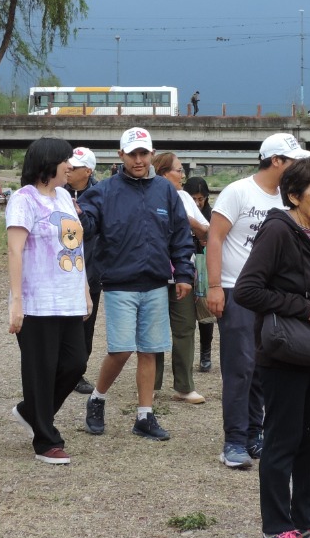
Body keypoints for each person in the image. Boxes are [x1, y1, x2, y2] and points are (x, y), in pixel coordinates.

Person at [232, 156, 310, 538]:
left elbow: (304, 287)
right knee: (282, 443)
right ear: (294, 196)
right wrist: (303, 306)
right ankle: (275, 530)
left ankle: (306, 522)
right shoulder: (278, 230)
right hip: (282, 356)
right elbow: (247, 290)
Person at [76, 126, 195, 443]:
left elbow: (181, 235)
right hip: (119, 284)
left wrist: (183, 273)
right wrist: (76, 214)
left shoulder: (165, 190)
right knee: (122, 348)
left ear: (152, 154)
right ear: (121, 156)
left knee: (150, 350)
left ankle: (145, 416)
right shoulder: (104, 191)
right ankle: (97, 398)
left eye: (144, 153)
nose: (139, 159)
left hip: (156, 282)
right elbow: (85, 224)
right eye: (132, 154)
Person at [207, 133, 310, 469]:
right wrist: (213, 287)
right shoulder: (238, 192)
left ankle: (256, 434)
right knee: (240, 369)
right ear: (276, 161)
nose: (301, 167)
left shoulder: (288, 200)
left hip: (272, 298)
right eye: (295, 160)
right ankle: (234, 441)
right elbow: (215, 237)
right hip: (235, 291)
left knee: (264, 369)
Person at [6, 137, 90, 464]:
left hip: (69, 298)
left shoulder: (66, 197)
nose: (70, 166)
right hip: (37, 301)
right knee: (41, 370)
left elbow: (76, 248)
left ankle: (31, 411)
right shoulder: (23, 199)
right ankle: (45, 439)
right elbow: (14, 250)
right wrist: (16, 302)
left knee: (75, 364)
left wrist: (83, 291)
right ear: (47, 163)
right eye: (65, 160)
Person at [151, 151, 209, 405]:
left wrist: (184, 218)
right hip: (152, 273)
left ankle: (184, 386)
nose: (183, 175)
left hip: (183, 271)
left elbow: (204, 230)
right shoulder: (148, 193)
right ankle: (150, 384)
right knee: (152, 330)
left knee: (185, 327)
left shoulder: (184, 197)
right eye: (178, 170)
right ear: (163, 173)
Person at [65, 147, 101, 394]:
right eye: (68, 165)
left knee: (86, 325)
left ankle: (78, 373)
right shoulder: (56, 191)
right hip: (63, 270)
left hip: (91, 271)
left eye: (75, 167)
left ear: (88, 171)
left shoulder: (101, 195)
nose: (69, 170)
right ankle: (59, 368)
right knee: (61, 322)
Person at [184, 175, 217, 372]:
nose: (197, 202)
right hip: (185, 265)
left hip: (205, 266)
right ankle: (186, 356)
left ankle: (206, 354)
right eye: (193, 198)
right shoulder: (181, 213)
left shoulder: (212, 216)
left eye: (201, 198)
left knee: (206, 310)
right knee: (185, 314)